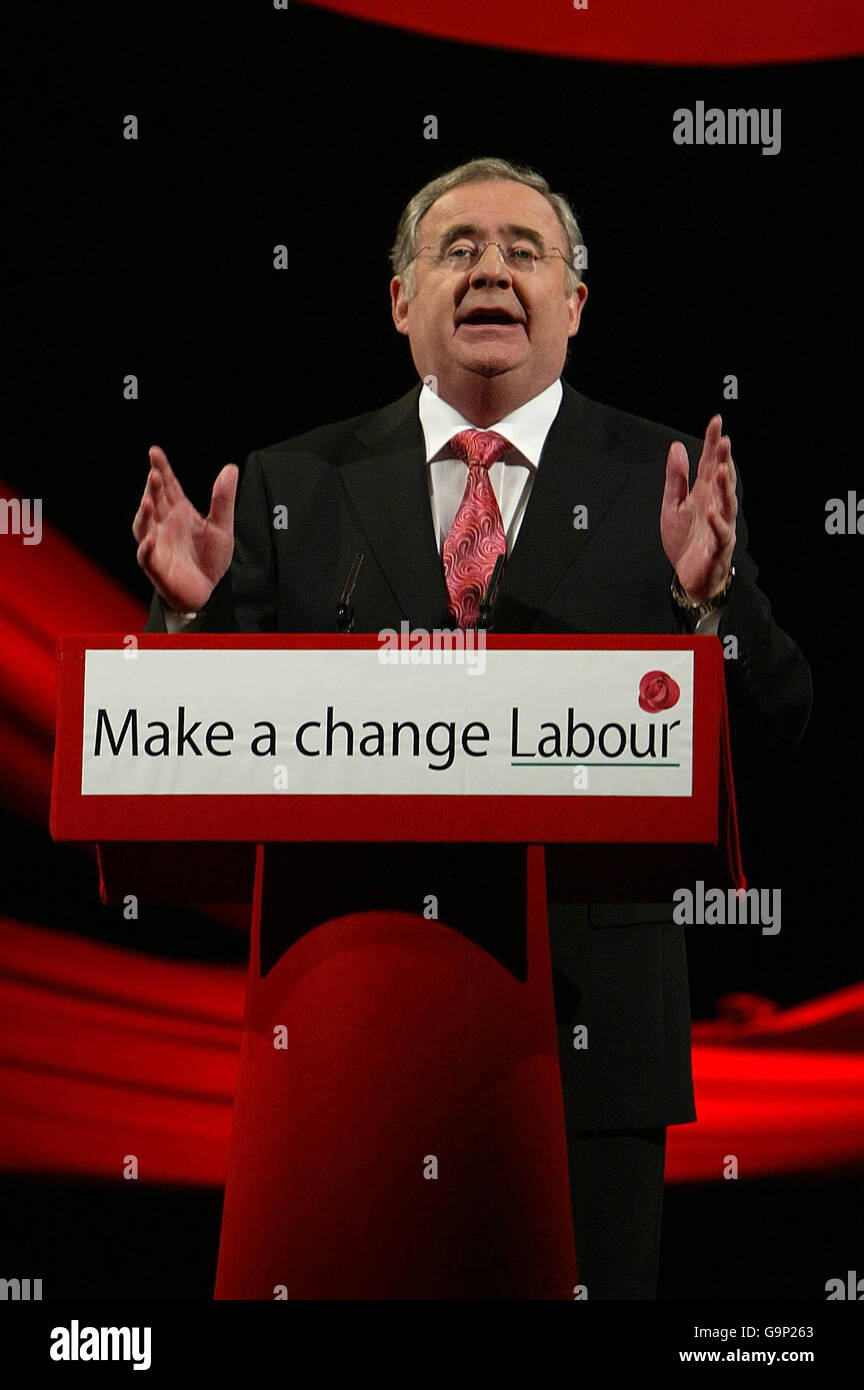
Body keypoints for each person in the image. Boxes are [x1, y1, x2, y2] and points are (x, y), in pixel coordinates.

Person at [133, 156, 812, 1298]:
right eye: (457, 249)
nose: (490, 268)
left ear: (575, 305)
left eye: (523, 250)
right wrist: (193, 623)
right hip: (350, 1044)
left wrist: (709, 603)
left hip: (588, 1056)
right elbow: (208, 759)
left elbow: (778, 728)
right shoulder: (296, 481)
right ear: (402, 301)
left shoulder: (665, 479)